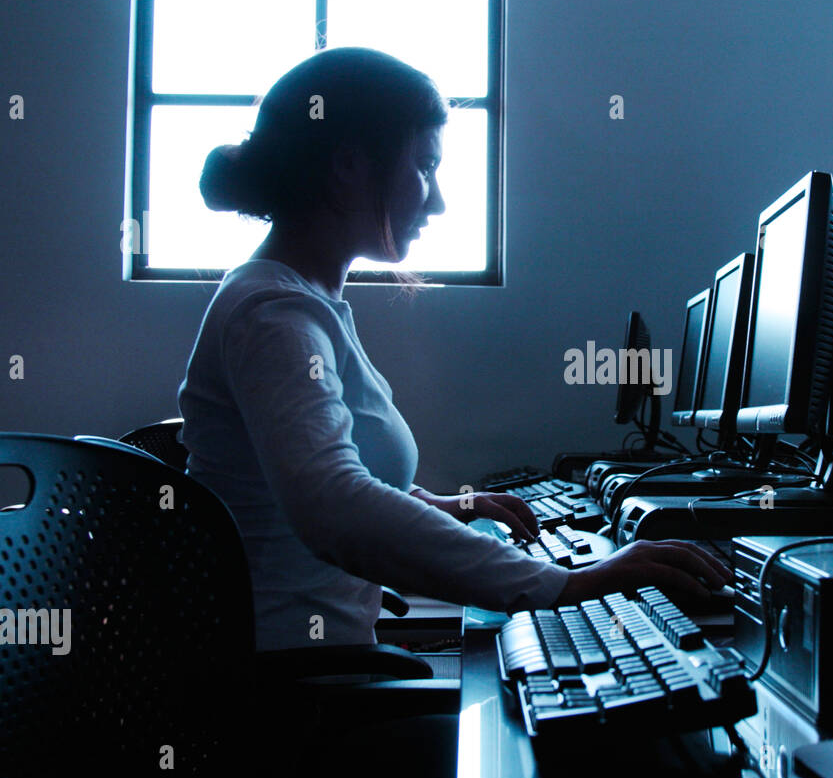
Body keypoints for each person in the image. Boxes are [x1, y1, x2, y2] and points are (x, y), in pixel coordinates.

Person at [179, 47, 728, 654]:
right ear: (350, 165)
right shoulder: (274, 315)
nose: (436, 201)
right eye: (424, 166)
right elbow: (331, 504)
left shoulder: (301, 301)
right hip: (298, 693)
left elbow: (317, 473)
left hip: (324, 669)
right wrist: (565, 583)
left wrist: (440, 505)